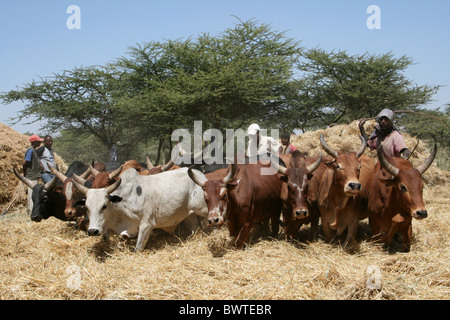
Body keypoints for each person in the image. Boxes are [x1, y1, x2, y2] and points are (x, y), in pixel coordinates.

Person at [23, 134, 44, 214]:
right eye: (38, 141)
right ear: (34, 142)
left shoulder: (34, 150)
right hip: (31, 176)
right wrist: (24, 173)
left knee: (34, 193)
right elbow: (26, 162)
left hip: (35, 175)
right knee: (32, 194)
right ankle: (32, 210)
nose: (40, 143)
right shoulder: (30, 150)